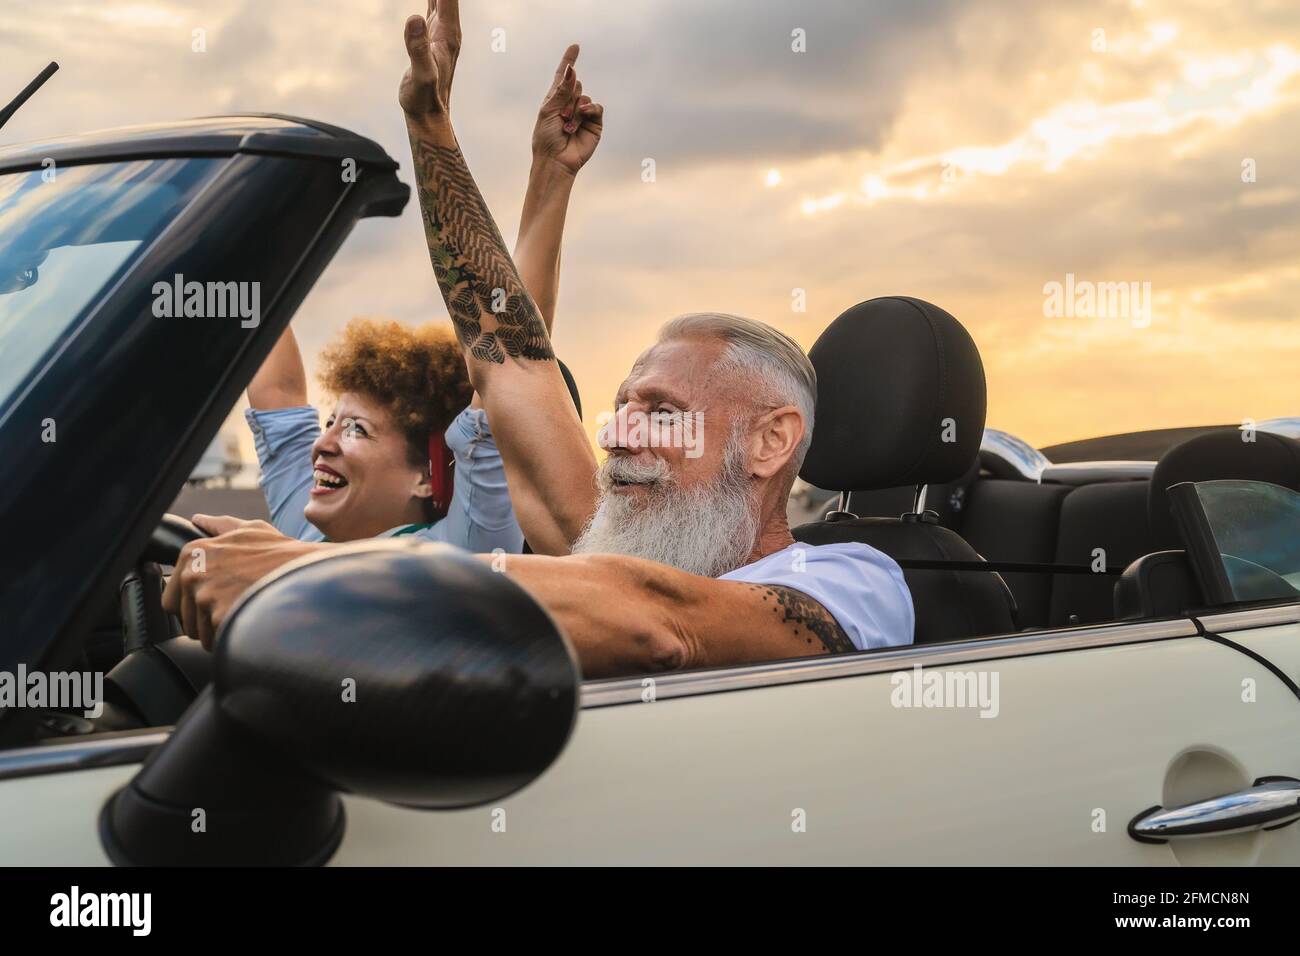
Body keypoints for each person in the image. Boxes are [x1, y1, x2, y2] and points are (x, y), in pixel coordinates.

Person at [163, 0, 913, 675]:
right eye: (623, 408)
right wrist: (432, 129)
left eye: (658, 411)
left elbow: (655, 619)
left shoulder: (852, 583)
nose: (617, 433)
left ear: (772, 441)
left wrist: (303, 572)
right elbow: (512, 362)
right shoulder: (604, 544)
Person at [228, 35, 604, 550]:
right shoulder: (305, 522)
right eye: (332, 421)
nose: (323, 444)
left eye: (356, 430)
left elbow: (511, 354)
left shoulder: (461, 547)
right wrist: (240, 231)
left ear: (427, 477)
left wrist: (552, 173)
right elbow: (278, 395)